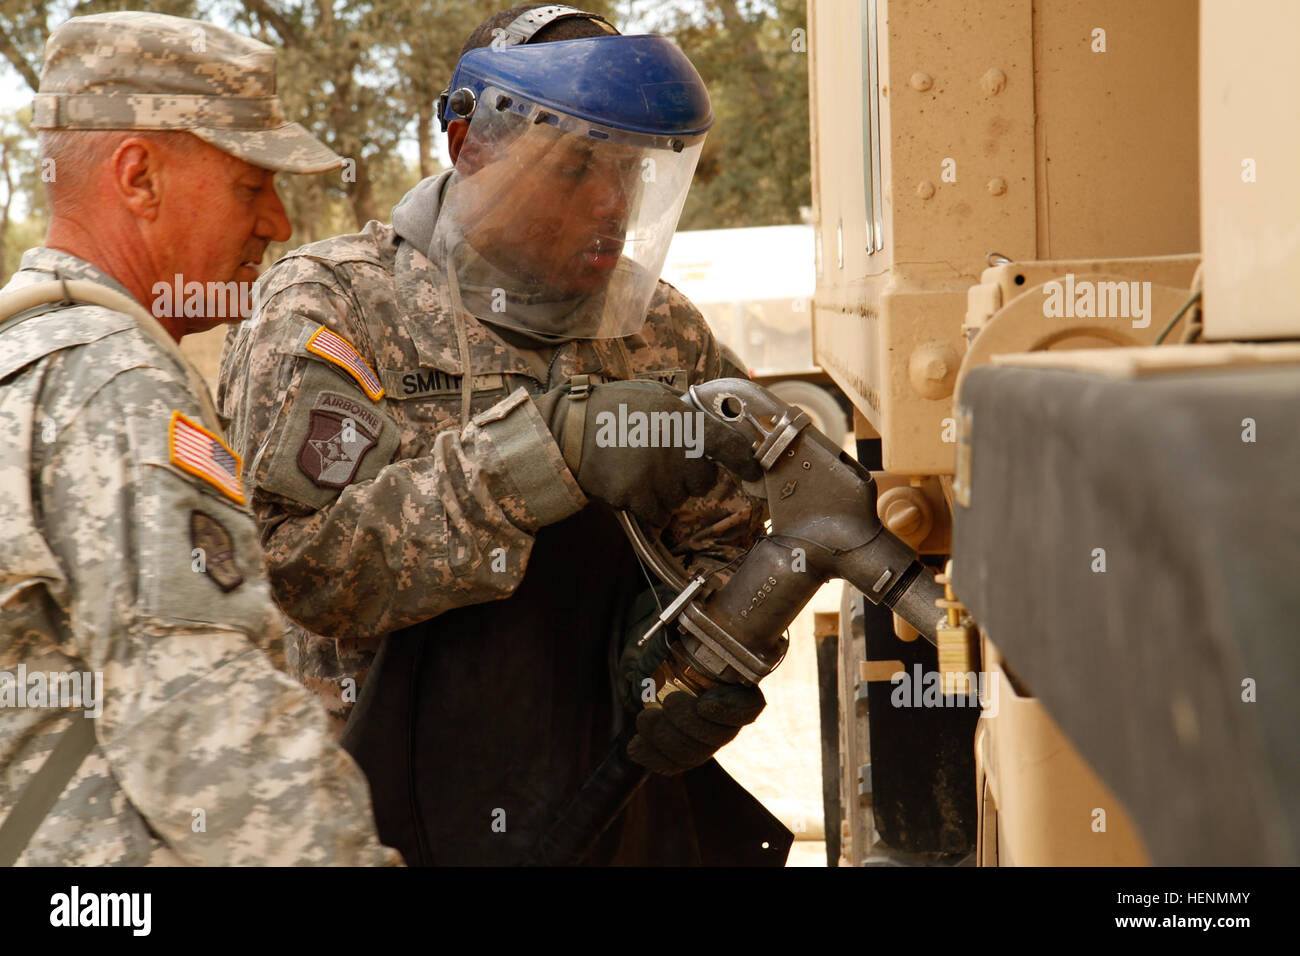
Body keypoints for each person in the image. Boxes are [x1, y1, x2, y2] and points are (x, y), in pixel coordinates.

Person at [218, 3, 793, 865]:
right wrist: (542, 456)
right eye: (575, 171)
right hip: (375, 824)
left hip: (606, 809)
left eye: (631, 172)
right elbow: (304, 570)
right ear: (468, 146)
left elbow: (731, 536)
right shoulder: (336, 307)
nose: (612, 204)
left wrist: (700, 659)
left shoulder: (662, 329)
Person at [0, 11, 398, 866]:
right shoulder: (119, 382)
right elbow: (210, 729)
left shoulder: (25, 354)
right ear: (139, 179)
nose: (280, 225)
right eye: (251, 188)